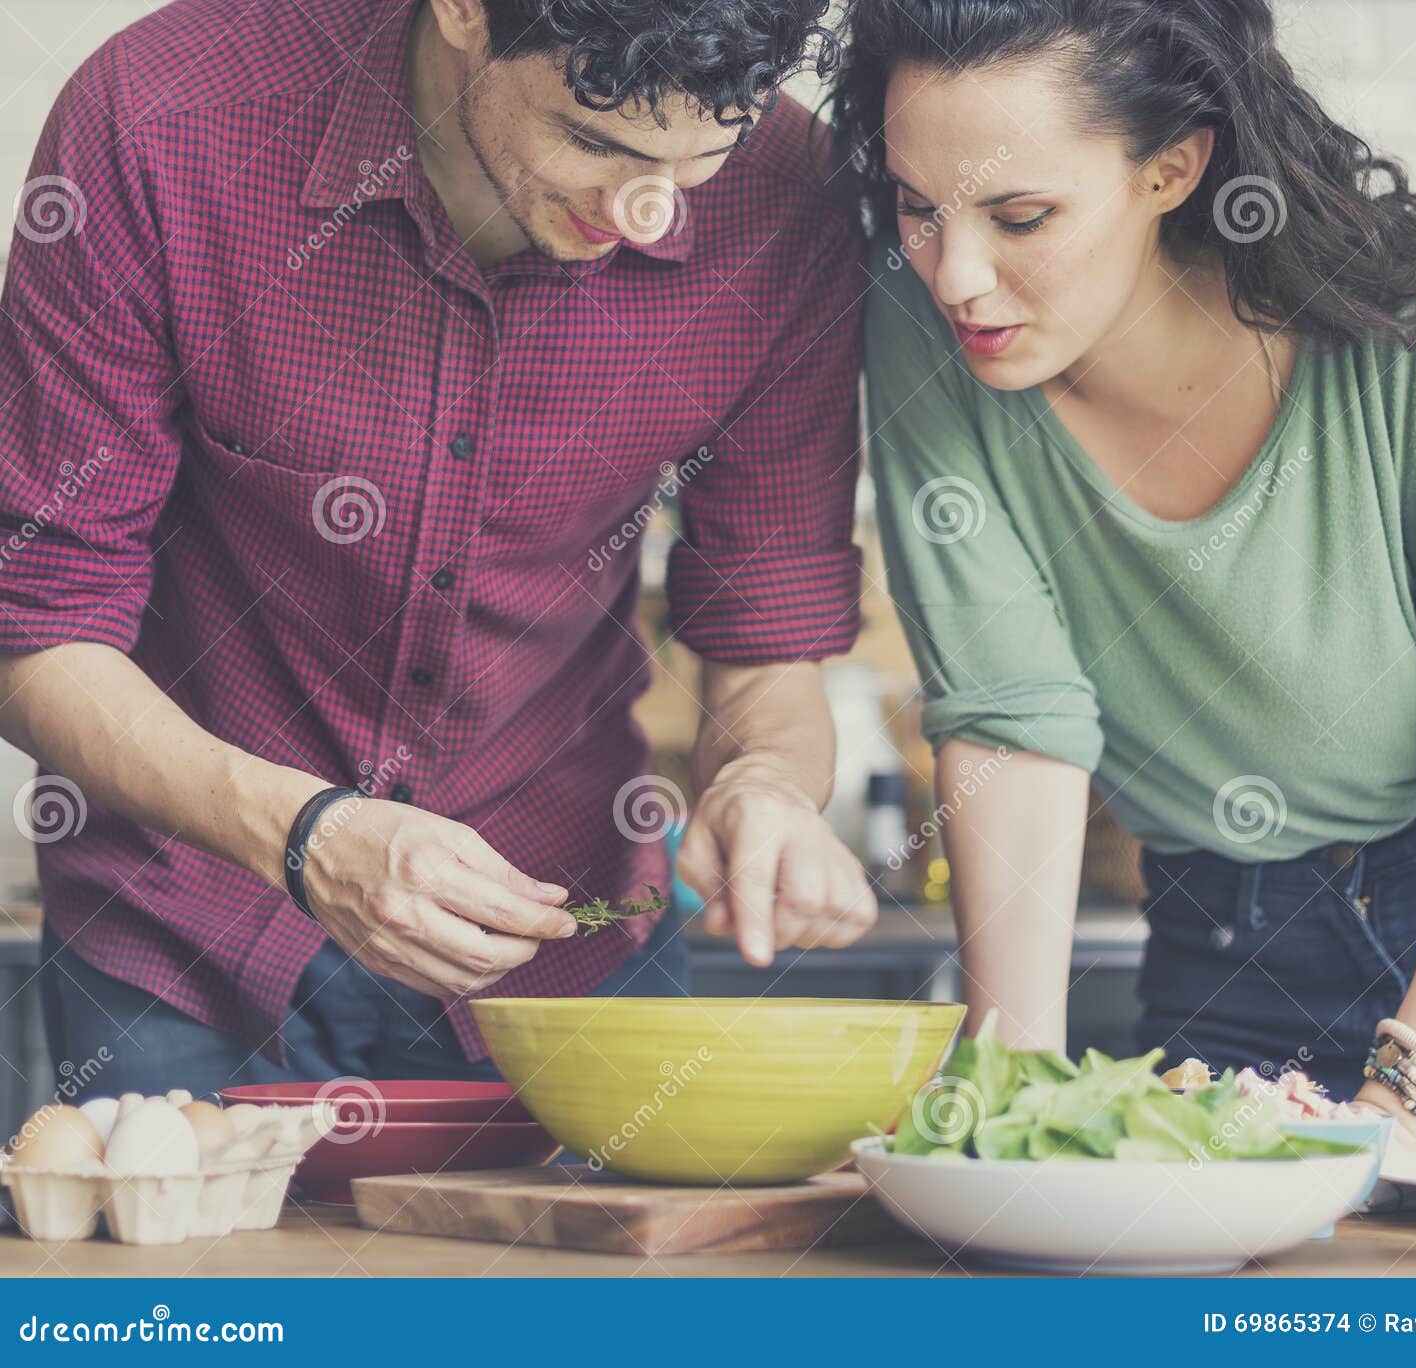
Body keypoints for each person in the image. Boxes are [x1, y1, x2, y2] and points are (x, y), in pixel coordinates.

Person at [0, 0, 877, 1095]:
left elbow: (766, 638)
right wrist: (303, 834)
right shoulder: (164, 116)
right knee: (187, 1272)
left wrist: (765, 784)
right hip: (190, 931)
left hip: (565, 935)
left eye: (703, 158)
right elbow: (36, 621)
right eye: (593, 143)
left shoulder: (793, 198)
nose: (646, 213)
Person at [834, 0, 1416, 1155]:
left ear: (1173, 169)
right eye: (917, 209)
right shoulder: (927, 326)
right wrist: (1011, 1092)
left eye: (1021, 215)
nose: (959, 276)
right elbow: (1011, 720)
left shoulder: (1396, 331)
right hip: (1232, 946)